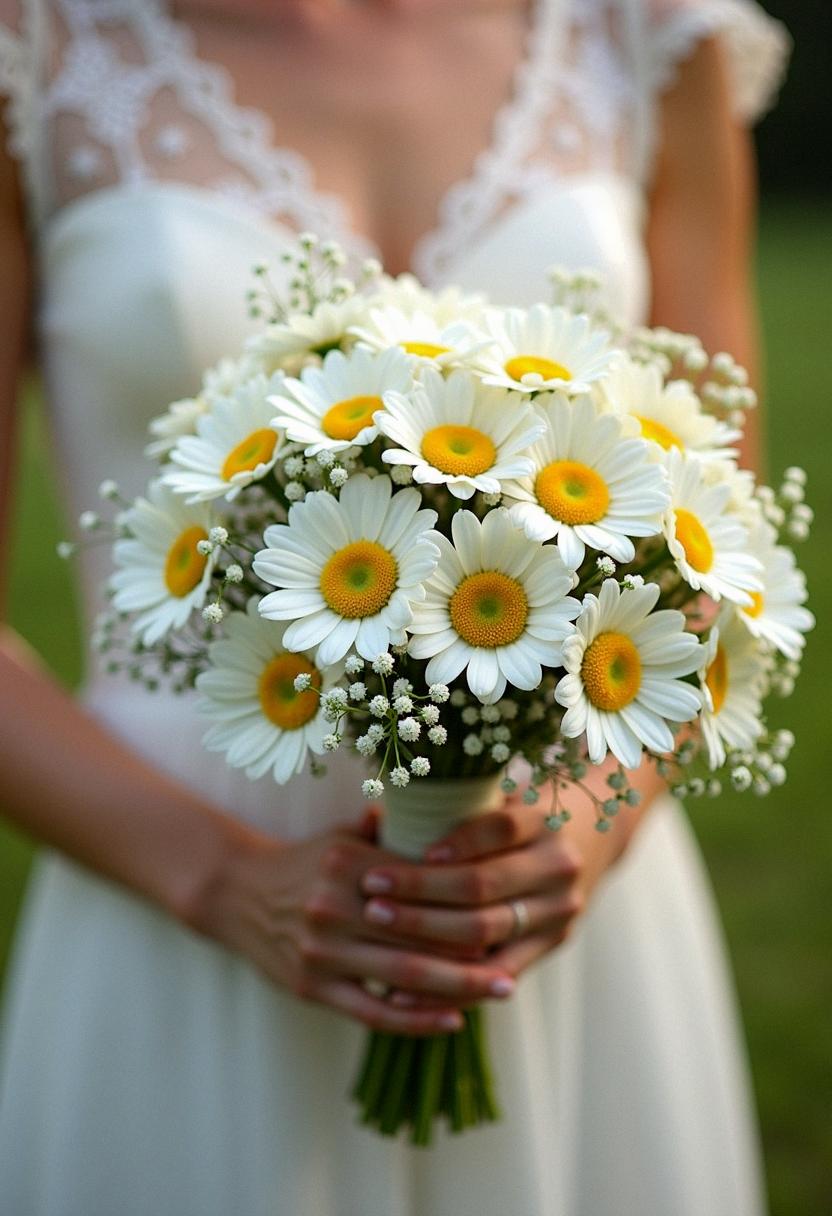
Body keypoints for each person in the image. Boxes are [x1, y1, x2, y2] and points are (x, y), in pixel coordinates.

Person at [0, 1, 789, 1213]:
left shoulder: (639, 35)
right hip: (175, 882)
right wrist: (221, 877)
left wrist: (576, 834)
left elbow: (717, 554)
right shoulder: (41, 52)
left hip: (551, 902)